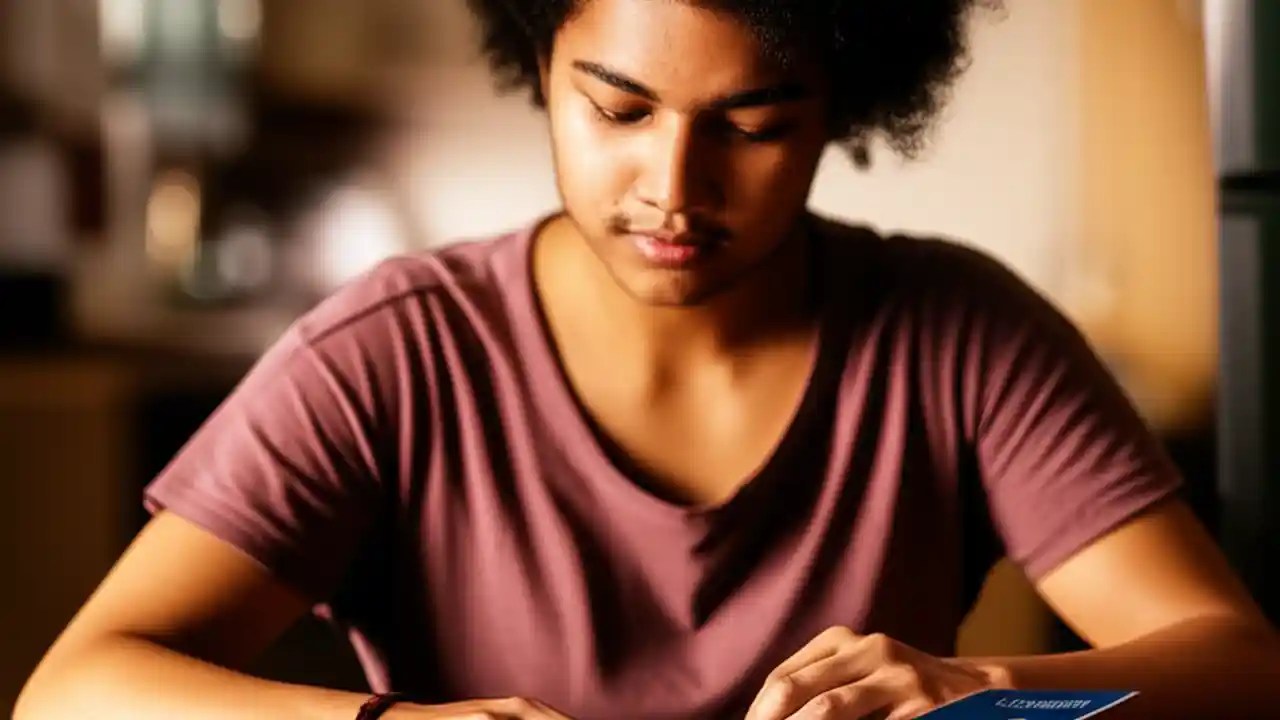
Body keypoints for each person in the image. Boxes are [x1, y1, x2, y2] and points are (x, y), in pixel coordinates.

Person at [16, 1, 1280, 718]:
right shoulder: (393, 354)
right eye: (617, 110)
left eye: (751, 125)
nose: (673, 187)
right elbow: (75, 691)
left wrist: (976, 690)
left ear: (838, 113)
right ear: (541, 67)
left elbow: (1239, 664)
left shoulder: (959, 334)